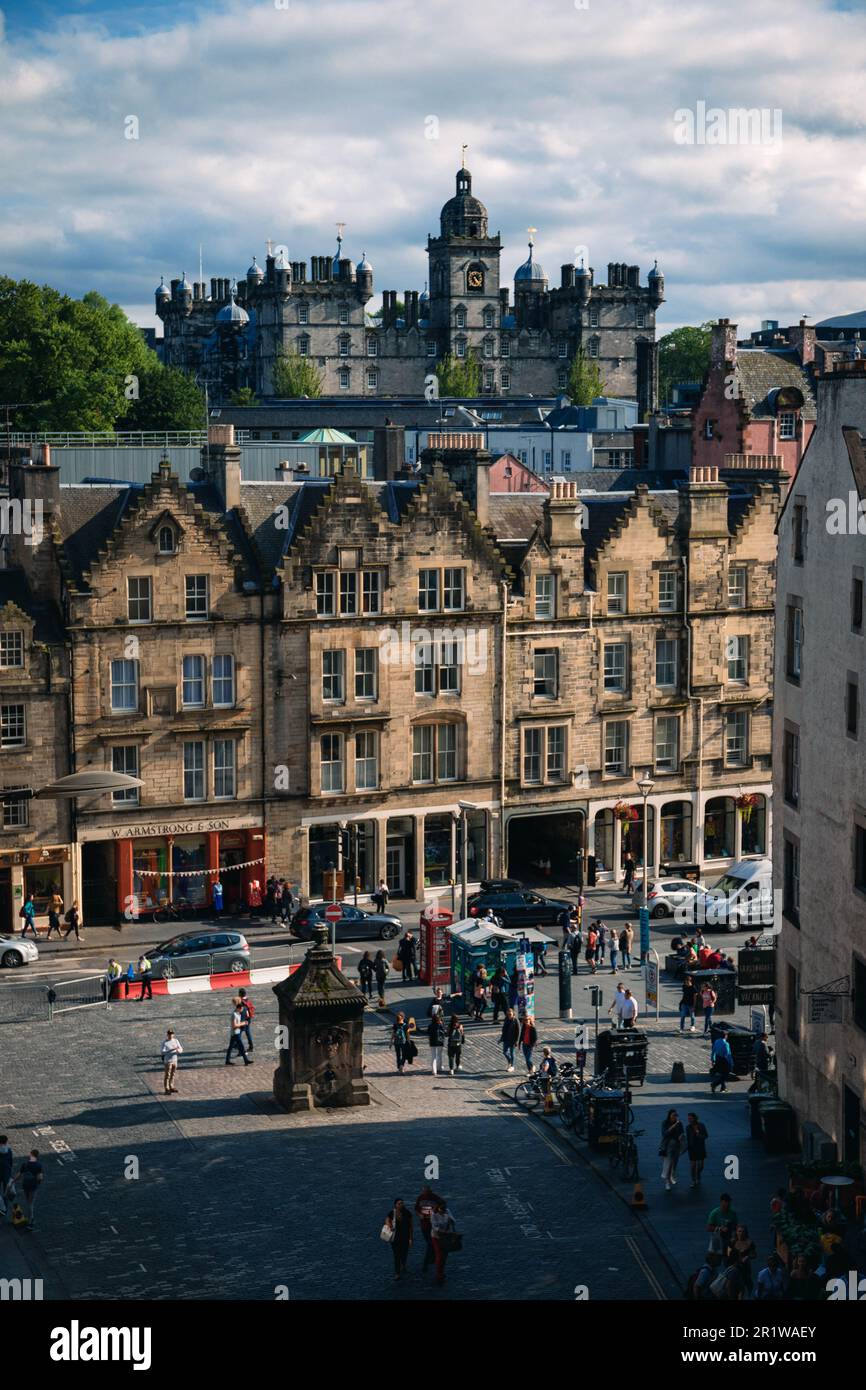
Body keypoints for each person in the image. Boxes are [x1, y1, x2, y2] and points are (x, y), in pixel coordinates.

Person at [415, 1184, 445, 1271]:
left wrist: (437, 1209)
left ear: (429, 1191)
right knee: (430, 1243)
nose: (425, 1193)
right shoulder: (420, 1198)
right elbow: (416, 1208)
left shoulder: (435, 1197)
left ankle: (426, 1262)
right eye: (424, 1192)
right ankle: (431, 1259)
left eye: (426, 1192)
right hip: (424, 1224)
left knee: (430, 1243)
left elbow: (443, 1203)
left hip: (433, 1224)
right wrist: (419, 1214)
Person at [383, 1198, 413, 1280]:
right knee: (396, 1255)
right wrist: (390, 1225)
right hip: (395, 1237)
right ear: (395, 1205)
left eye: (402, 1203)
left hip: (405, 1237)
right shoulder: (392, 1213)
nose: (401, 1205)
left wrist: (410, 1238)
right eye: (399, 1203)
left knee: (404, 1253)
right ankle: (397, 1273)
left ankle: (403, 1264)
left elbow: (410, 1226)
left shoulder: (407, 1213)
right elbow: (387, 1220)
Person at [430, 1200, 456, 1286]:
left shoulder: (447, 1211)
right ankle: (439, 1275)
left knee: (444, 1255)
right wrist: (443, 1231)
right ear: (438, 1207)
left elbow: (453, 1221)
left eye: (444, 1208)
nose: (443, 1209)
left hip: (446, 1236)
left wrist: (449, 1218)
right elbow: (435, 1227)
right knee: (439, 1255)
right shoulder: (433, 1214)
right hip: (437, 1237)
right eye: (442, 1208)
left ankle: (441, 1271)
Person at [17, 1149, 43, 1229]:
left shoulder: (25, 1164)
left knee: (28, 1201)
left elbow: (19, 1174)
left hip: (25, 1185)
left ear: (30, 1154)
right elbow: (40, 1178)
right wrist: (38, 1183)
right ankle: (31, 1220)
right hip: (33, 1186)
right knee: (30, 1203)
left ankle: (30, 1218)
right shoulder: (39, 1165)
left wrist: (13, 1181)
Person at [659, 1109, 684, 1190]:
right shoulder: (665, 1123)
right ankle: (667, 1182)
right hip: (668, 1146)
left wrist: (681, 1136)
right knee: (668, 1163)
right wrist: (674, 1125)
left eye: (676, 1115)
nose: (675, 1117)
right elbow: (665, 1133)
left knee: (674, 1163)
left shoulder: (679, 1123)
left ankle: (671, 1176)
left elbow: (682, 1132)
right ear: (669, 1115)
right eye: (673, 1115)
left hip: (677, 1145)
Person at [729, 1223, 757, 1294]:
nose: (741, 1233)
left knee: (743, 1287)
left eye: (743, 1231)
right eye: (739, 1231)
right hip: (734, 1267)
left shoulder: (749, 1243)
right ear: (736, 1232)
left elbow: (754, 1254)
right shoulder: (732, 1242)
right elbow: (728, 1254)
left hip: (745, 1268)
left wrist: (747, 1257)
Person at [225, 1001, 253, 1066]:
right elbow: (234, 1025)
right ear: (238, 1008)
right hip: (235, 1033)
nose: (242, 1010)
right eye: (242, 1009)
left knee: (231, 1047)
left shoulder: (238, 1013)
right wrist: (243, 1023)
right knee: (241, 1046)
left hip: (236, 1032)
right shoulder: (234, 1014)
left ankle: (227, 1060)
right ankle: (246, 1060)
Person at [685, 1112, 708, 1187]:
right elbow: (688, 1138)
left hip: (700, 1148)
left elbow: (706, 1136)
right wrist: (687, 1147)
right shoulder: (688, 1127)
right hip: (692, 1149)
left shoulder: (701, 1125)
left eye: (690, 1118)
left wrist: (698, 1134)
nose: (689, 1120)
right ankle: (694, 1180)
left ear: (695, 1118)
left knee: (700, 1166)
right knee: (693, 1166)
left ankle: (698, 1174)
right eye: (688, 1118)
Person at [161, 1028, 183, 1094]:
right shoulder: (165, 1043)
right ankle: (166, 1089)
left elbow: (181, 1049)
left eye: (172, 1034)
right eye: (169, 1034)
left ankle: (171, 1086)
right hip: (168, 1061)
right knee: (167, 1075)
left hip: (175, 1060)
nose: (170, 1035)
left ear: (173, 1035)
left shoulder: (176, 1040)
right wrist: (171, 1050)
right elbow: (162, 1052)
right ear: (167, 1035)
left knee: (173, 1074)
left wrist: (178, 1051)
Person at [710, 1028, 733, 1094]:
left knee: (722, 1074)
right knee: (726, 1074)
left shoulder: (716, 1041)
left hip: (718, 1059)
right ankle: (715, 1084)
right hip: (724, 1060)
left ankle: (723, 1088)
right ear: (725, 1036)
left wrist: (713, 1059)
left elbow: (713, 1051)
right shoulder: (726, 1044)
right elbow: (728, 1055)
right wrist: (731, 1063)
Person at [427, 1005, 447, 1075]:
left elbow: (428, 1033)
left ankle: (434, 1070)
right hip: (440, 1041)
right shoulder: (441, 1025)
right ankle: (439, 1067)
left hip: (432, 1041)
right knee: (439, 1054)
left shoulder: (430, 1025)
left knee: (433, 1056)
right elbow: (445, 1032)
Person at [500, 1007, 519, 1073]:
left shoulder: (516, 1020)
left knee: (512, 1053)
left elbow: (518, 1032)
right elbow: (504, 1029)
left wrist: (517, 1041)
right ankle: (510, 1061)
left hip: (512, 1040)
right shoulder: (506, 1019)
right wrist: (501, 1038)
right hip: (506, 1039)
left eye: (510, 1014)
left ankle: (512, 1066)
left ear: (513, 1014)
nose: (509, 1016)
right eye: (508, 1014)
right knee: (505, 1052)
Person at [0, 1135, 13, 1215]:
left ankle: (1, 1207)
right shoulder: (9, 1151)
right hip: (6, 1173)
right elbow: (10, 1162)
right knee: (6, 1191)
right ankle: (5, 1208)